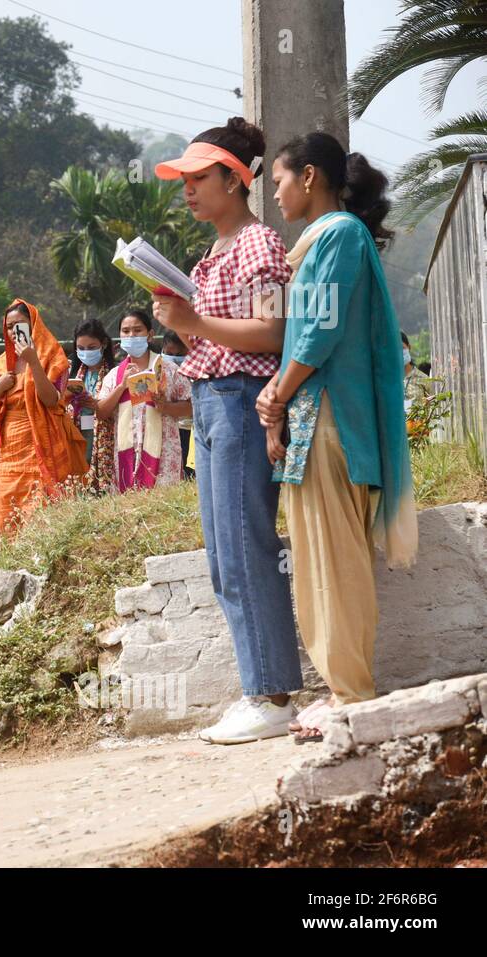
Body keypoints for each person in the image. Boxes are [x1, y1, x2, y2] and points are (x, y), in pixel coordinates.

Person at [260, 132, 417, 742]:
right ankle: (342, 689)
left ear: (308, 177)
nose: (273, 193)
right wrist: (276, 394)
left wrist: (277, 391)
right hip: (314, 420)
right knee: (320, 558)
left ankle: (353, 695)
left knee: (335, 561)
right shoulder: (323, 240)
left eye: (277, 180)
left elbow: (319, 330)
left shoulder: (338, 235)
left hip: (330, 423)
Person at [151, 117, 302, 744]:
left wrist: (195, 322)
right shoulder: (209, 254)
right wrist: (177, 318)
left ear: (235, 181)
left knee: (244, 549)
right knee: (223, 557)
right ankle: (259, 689)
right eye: (182, 180)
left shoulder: (259, 245)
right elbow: (210, 337)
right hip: (212, 405)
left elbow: (272, 333)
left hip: (242, 402)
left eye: (198, 178)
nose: (187, 190)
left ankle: (273, 695)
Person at [0, 300, 87, 532]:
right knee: (7, 522)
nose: (14, 330)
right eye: (9, 326)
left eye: (20, 324)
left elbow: (50, 400)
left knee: (39, 521)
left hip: (42, 450)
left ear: (34, 324)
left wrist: (33, 361)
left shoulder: (52, 356)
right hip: (9, 455)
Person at [95, 309, 191, 491]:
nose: (131, 335)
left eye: (137, 330)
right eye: (126, 331)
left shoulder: (170, 370)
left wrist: (166, 407)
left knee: (163, 510)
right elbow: (100, 412)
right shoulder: (114, 375)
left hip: (165, 454)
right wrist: (121, 386)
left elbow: (191, 407)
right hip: (127, 454)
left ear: (150, 335)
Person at [66, 319, 116, 492]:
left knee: (100, 485)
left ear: (103, 344)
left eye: (92, 347)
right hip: (77, 433)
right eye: (81, 348)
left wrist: (96, 404)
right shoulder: (70, 371)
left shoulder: (114, 373)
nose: (86, 352)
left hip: (104, 436)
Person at [161, 330, 196, 479]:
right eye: (169, 353)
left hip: (191, 430)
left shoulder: (196, 371)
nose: (173, 358)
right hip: (171, 429)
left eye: (179, 354)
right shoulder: (159, 371)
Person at [399, 331, 434, 414]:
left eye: (401, 348)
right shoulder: (387, 381)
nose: (398, 352)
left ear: (409, 347)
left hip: (418, 426)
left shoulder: (423, 379)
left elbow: (434, 408)